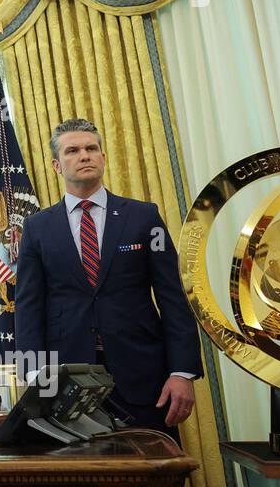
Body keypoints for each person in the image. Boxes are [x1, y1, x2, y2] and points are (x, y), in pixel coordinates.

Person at [14, 117, 201, 432]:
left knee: (155, 470)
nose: (84, 155)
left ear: (103, 157)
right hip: (66, 382)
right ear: (57, 166)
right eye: (72, 151)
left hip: (144, 379)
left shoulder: (144, 217)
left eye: (91, 148)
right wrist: (35, 376)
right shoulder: (36, 228)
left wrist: (182, 372)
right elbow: (28, 306)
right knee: (84, 476)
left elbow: (174, 297)